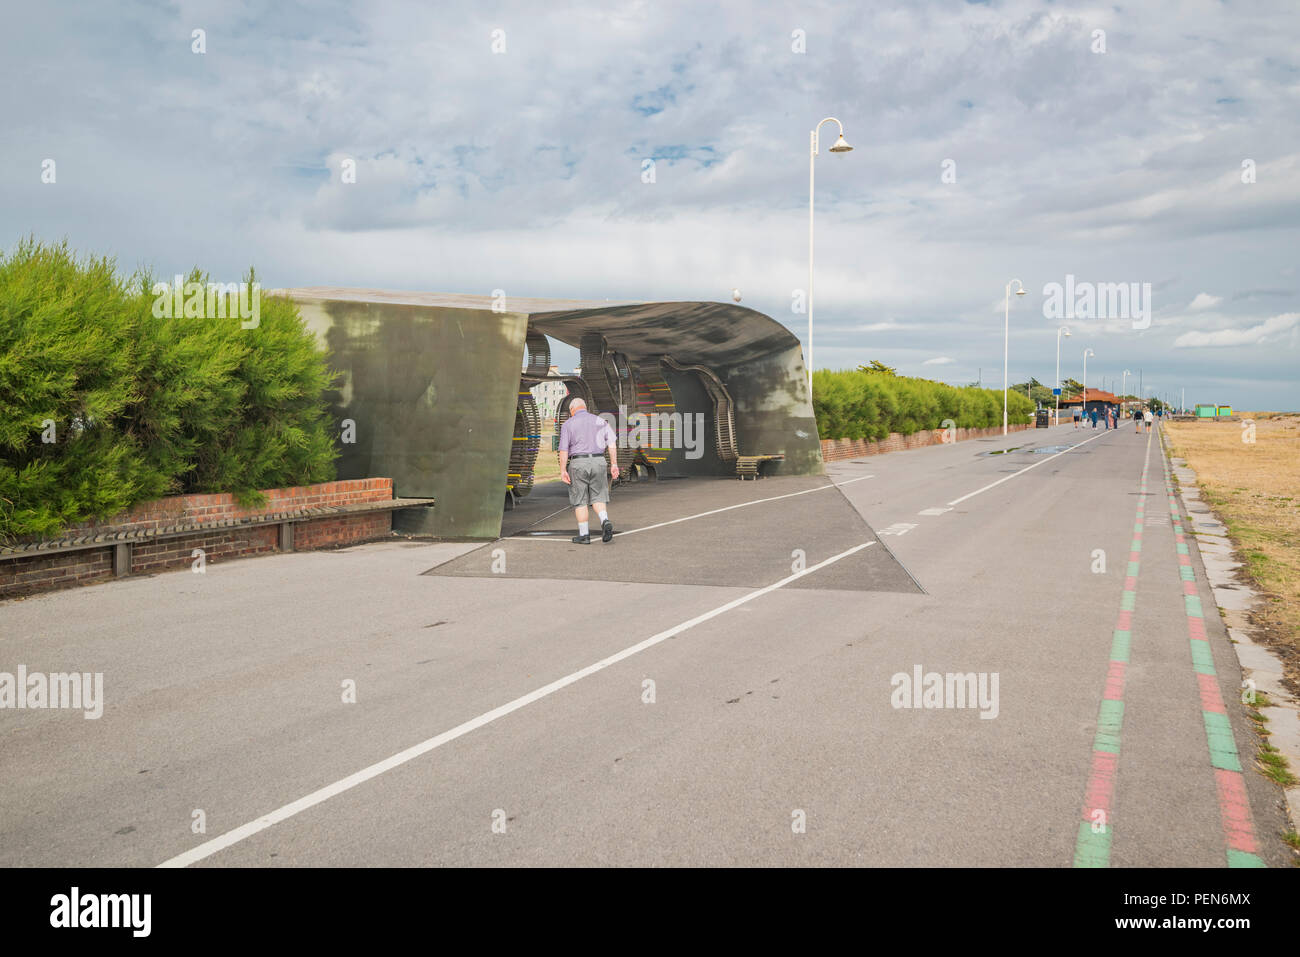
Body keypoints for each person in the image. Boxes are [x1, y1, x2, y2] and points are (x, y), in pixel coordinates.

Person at [558, 397, 619, 544]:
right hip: (599, 461)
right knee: (598, 496)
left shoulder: (568, 424)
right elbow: (612, 444)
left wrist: (562, 470)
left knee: (580, 500)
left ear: (572, 410)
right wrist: (614, 464)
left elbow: (563, 450)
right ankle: (604, 520)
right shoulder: (600, 421)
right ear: (585, 407)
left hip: (578, 462)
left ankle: (584, 535)